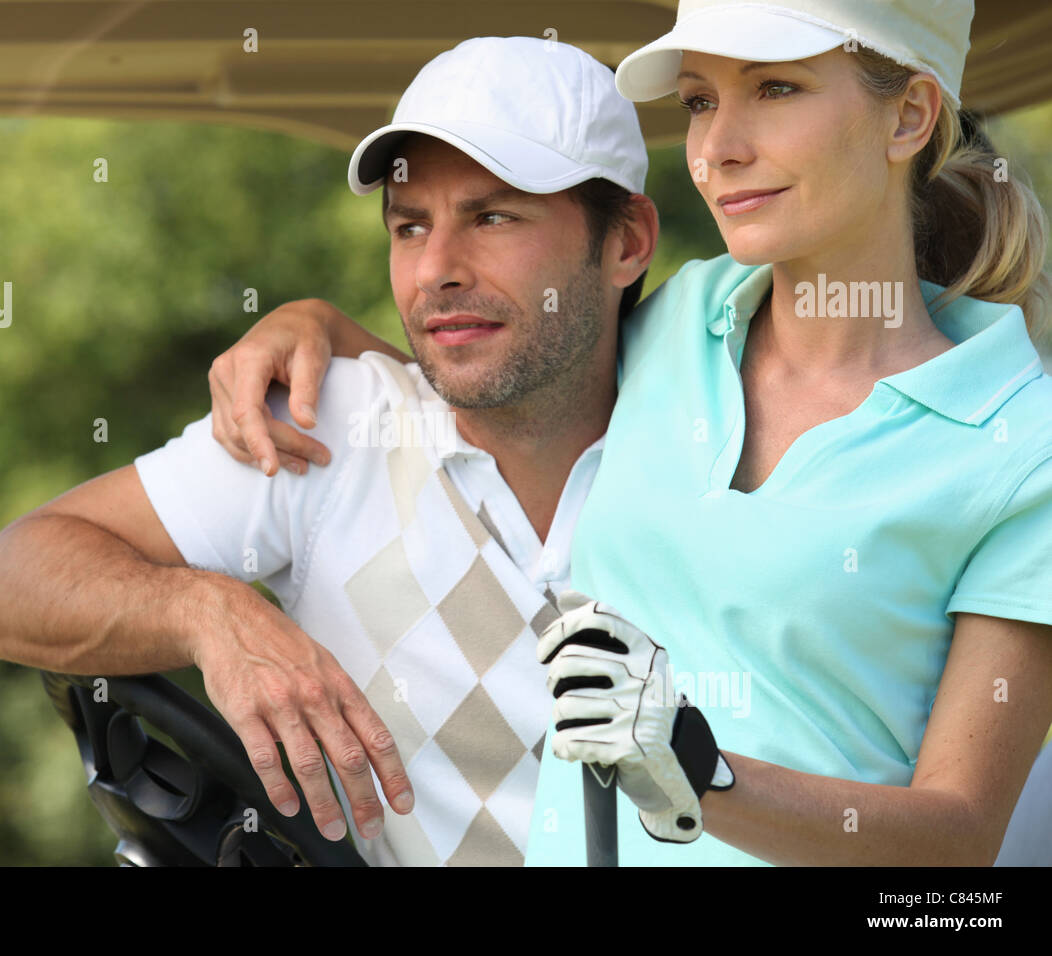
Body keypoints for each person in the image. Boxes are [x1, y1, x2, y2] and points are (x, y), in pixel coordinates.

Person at [208, 0, 1052, 866]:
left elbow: (961, 833)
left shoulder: (1025, 447)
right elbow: (496, 358)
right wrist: (315, 324)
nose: (718, 147)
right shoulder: (687, 319)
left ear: (909, 114)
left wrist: (693, 767)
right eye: (698, 102)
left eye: (774, 89)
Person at [0, 35, 663, 865]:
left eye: (494, 216)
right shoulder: (330, 426)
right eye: (409, 226)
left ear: (626, 243)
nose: (435, 270)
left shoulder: (727, 423)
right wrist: (210, 613)